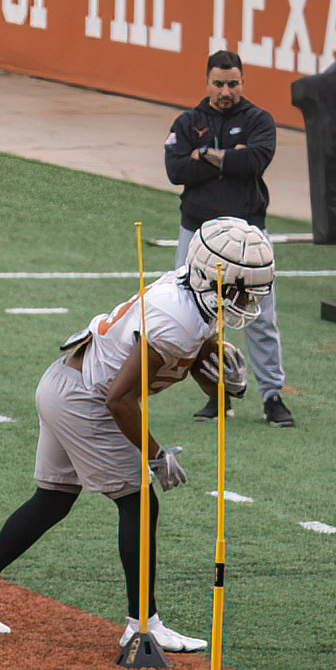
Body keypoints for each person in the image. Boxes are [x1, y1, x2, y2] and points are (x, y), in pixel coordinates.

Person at [0, 217, 273, 651]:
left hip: (63, 382)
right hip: (88, 400)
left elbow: (191, 345)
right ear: (215, 280)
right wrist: (155, 454)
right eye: (241, 291)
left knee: (54, 498)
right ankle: (142, 624)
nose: (247, 300)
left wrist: (215, 365)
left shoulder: (190, 288)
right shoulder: (177, 318)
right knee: (139, 501)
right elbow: (120, 399)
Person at [164, 49, 293, 427]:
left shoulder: (259, 119)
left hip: (248, 234)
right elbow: (175, 170)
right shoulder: (188, 121)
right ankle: (217, 393)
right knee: (198, 318)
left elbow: (254, 161)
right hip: (197, 234)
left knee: (261, 317)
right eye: (218, 83)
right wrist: (226, 159)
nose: (225, 91)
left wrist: (203, 156)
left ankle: (272, 396)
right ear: (207, 82)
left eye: (232, 84)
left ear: (242, 82)